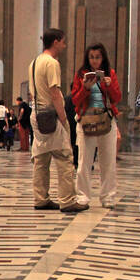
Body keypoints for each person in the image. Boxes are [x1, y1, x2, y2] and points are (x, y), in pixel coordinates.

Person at [30, 29, 87, 213]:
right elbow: (55, 92)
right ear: (55, 42)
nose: (65, 45)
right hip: (51, 115)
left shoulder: (34, 62)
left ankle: (40, 198)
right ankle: (68, 200)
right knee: (64, 157)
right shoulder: (52, 63)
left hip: (37, 115)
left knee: (41, 158)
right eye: (63, 41)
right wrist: (63, 118)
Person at [71, 42, 122, 209]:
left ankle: (108, 196)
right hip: (86, 119)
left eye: (98, 57)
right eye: (91, 57)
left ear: (103, 58)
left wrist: (109, 85)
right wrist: (85, 88)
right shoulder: (80, 75)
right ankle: (83, 195)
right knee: (84, 159)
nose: (94, 61)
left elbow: (117, 98)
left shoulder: (111, 74)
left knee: (108, 160)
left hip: (106, 119)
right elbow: (75, 100)